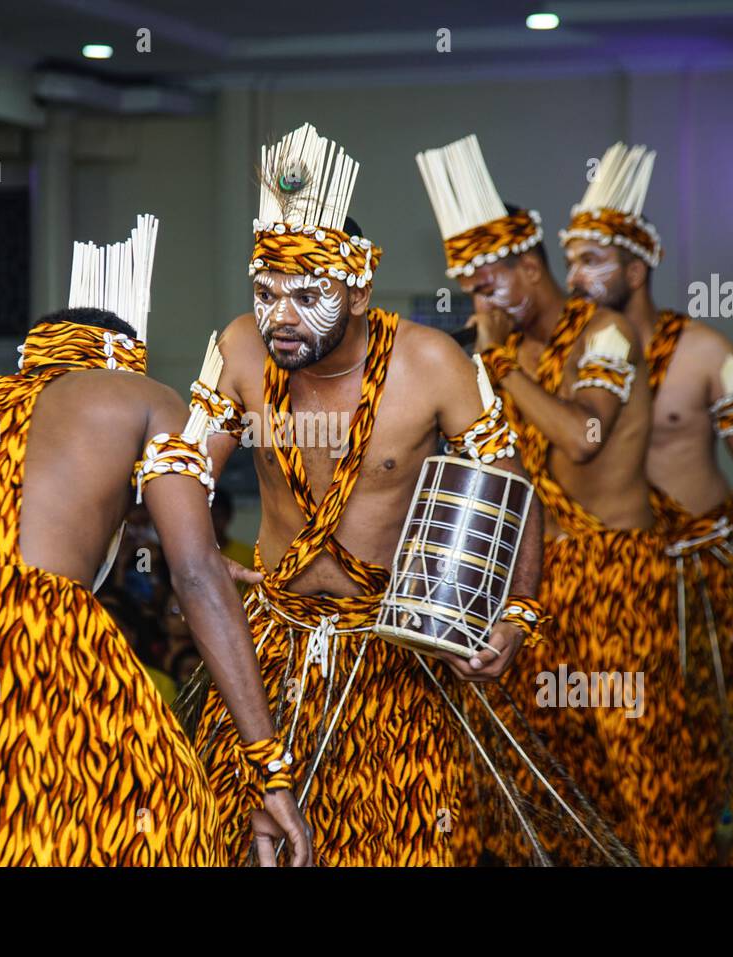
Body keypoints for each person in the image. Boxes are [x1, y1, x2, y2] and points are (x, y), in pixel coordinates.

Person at [0, 218, 310, 867]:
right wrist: (270, 769)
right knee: (166, 826)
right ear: (127, 354)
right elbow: (197, 575)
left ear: (32, 354)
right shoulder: (144, 397)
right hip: (33, 629)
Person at [182, 125, 547, 867]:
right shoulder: (240, 348)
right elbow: (185, 477)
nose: (281, 315)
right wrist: (199, 560)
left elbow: (516, 493)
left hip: (397, 647)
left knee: (406, 848)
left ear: (357, 290)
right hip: (273, 645)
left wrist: (516, 614)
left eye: (307, 294)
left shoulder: (432, 361)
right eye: (265, 291)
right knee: (239, 846)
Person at [420, 134, 698, 865]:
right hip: (536, 583)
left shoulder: (602, 333)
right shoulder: (502, 360)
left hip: (618, 577)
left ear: (529, 266)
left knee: (642, 767)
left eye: (487, 285)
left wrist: (500, 364)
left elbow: (582, 436)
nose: (478, 303)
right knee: (550, 774)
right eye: (470, 290)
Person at [553, 141, 733, 864]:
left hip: (694, 582)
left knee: (700, 749)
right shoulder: (563, 359)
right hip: (604, 585)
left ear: (636, 268)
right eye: (571, 261)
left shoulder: (710, 352)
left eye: (593, 261)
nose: (575, 277)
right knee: (598, 747)